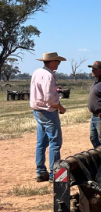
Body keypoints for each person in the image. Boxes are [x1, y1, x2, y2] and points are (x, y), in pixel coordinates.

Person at [30, 52, 67, 182]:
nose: (58, 64)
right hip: (48, 111)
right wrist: (60, 107)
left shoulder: (37, 72)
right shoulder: (49, 75)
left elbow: (42, 93)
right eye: (58, 61)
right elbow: (50, 99)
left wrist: (54, 92)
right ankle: (54, 173)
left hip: (38, 110)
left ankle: (40, 171)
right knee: (55, 143)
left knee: (41, 142)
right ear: (52, 62)